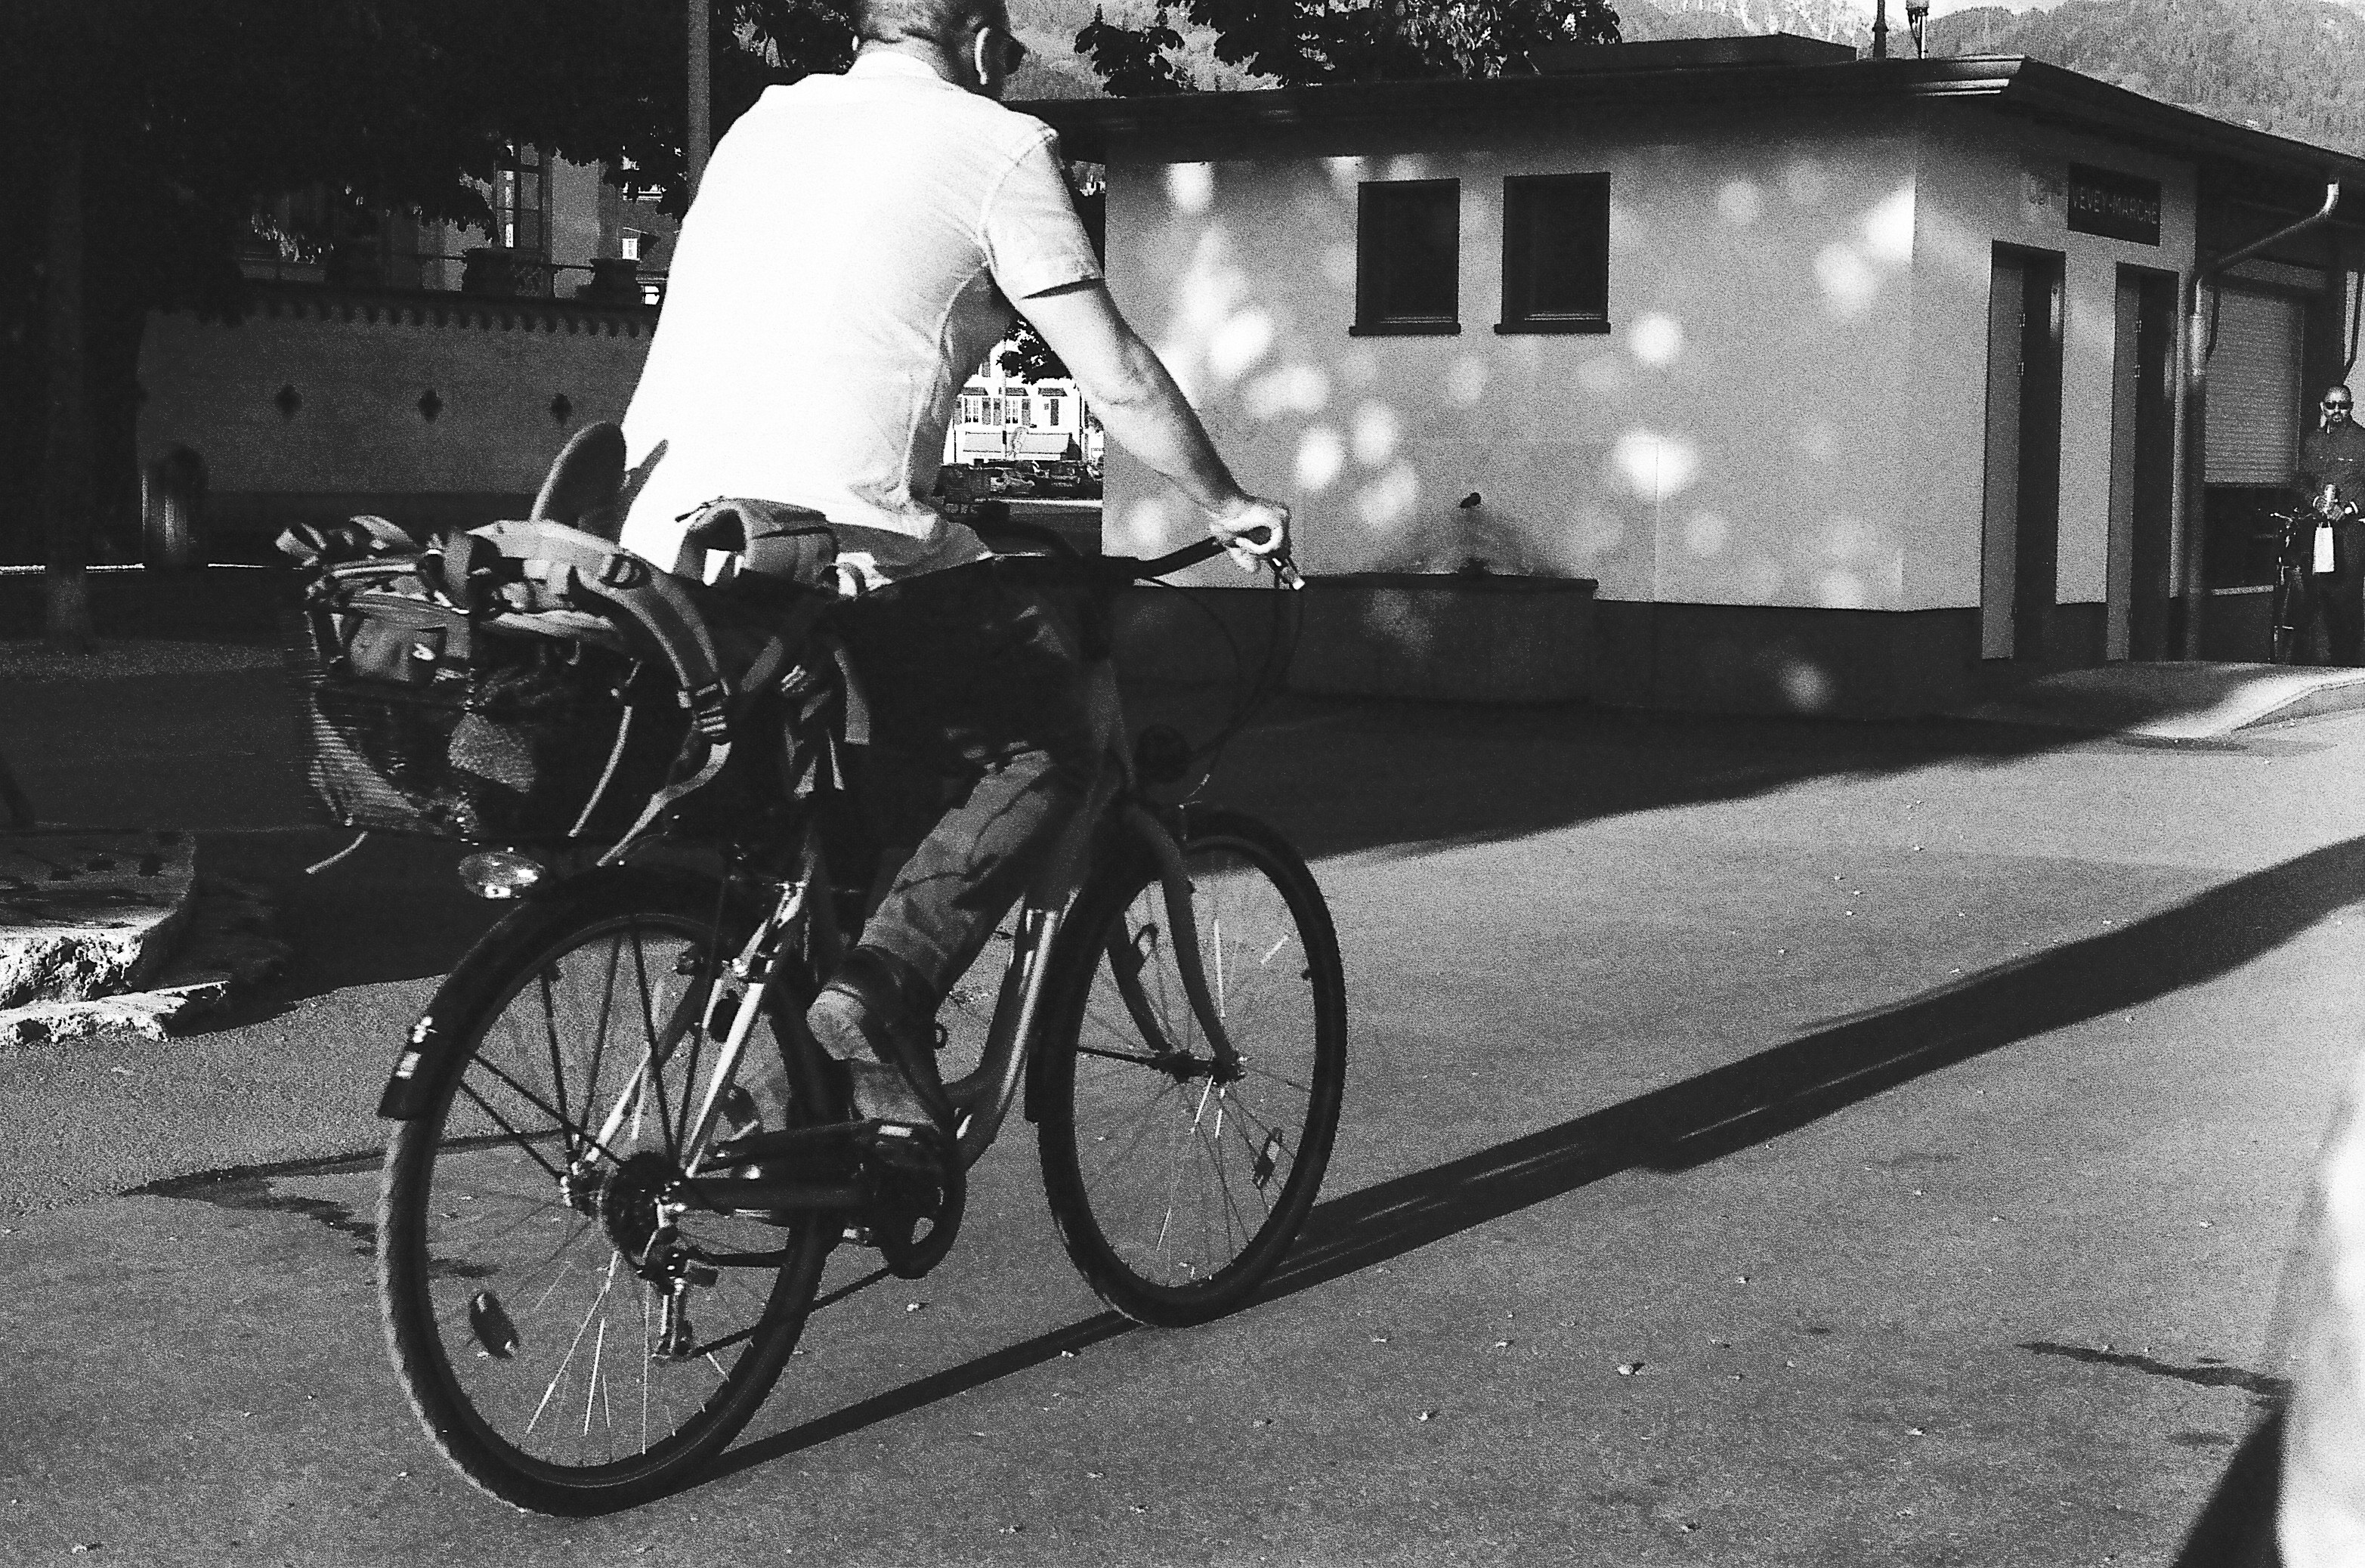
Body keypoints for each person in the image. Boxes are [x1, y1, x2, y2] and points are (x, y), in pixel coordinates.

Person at [614, 0, 1290, 1140]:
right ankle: (877, 997)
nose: (1017, 64)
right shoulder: (997, 145)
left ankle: (788, 1086)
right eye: (1013, 43)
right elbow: (1113, 372)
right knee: (1054, 734)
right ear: (977, 39)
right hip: (821, 544)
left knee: (851, 785)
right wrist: (1227, 504)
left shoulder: (761, 125)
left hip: (657, 544)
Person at [2292, 384, 2365, 666]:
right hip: (2318, 529)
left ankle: (2348, 665)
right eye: (2331, 405)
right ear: (2322, 407)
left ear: (2351, 407)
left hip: (2349, 531)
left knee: (2345, 597)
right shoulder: (2313, 441)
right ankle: (2321, 664)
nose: (2337, 411)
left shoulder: (2361, 440)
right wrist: (2315, 501)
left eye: (2343, 405)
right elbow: (2301, 480)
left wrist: (2347, 508)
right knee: (2317, 593)